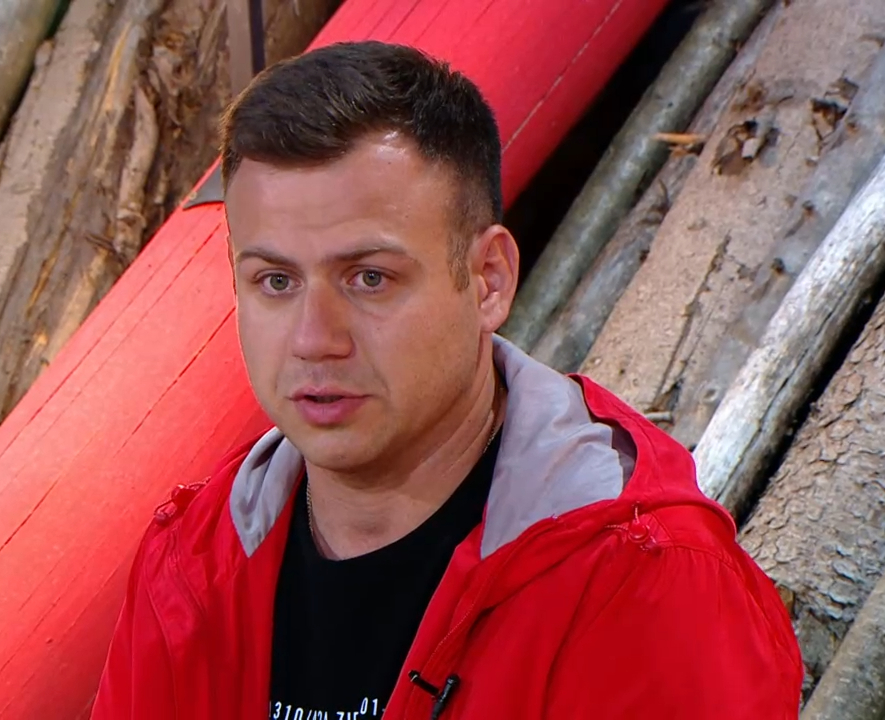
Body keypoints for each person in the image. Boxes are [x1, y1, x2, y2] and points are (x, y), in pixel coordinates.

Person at [90, 40, 803, 719]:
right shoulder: (192, 561)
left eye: (370, 278)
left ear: (488, 279)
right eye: (276, 281)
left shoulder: (642, 585)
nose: (314, 339)